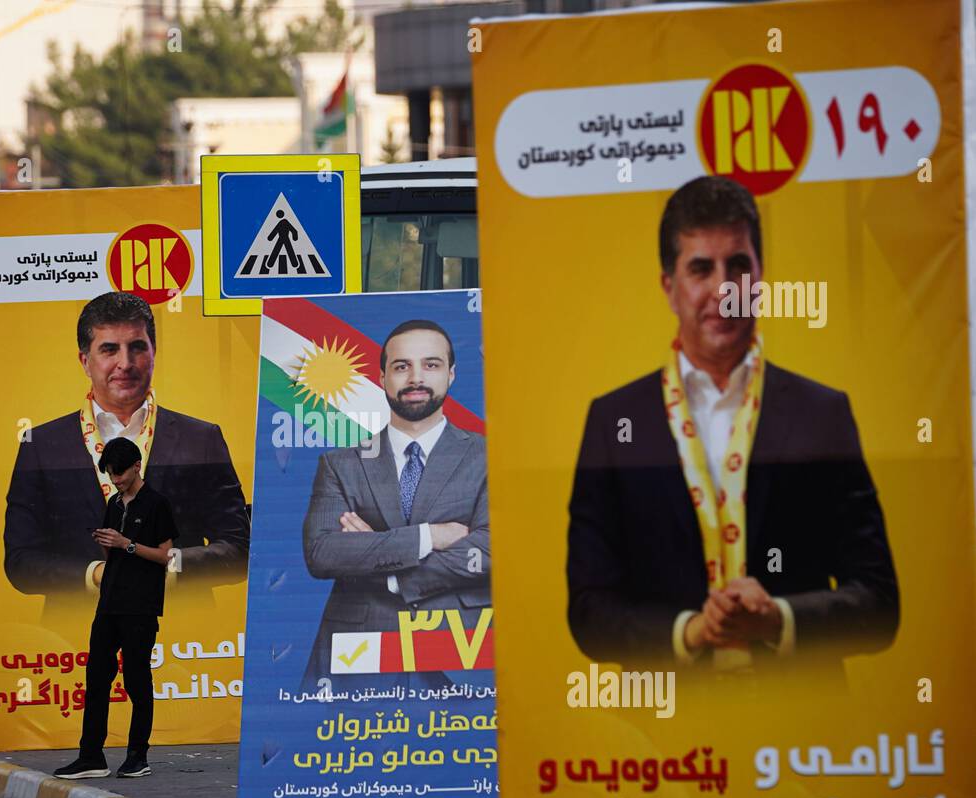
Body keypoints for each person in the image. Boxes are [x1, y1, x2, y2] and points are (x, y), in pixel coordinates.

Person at [566, 175, 899, 679]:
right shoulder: (615, 420)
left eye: (738, 266)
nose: (724, 290)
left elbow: (879, 602)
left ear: (761, 277)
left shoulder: (822, 412)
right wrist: (691, 632)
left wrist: (780, 620)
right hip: (667, 745)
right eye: (701, 269)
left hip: (806, 736)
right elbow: (589, 613)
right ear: (669, 287)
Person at [3, 292, 250, 628]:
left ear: (154, 353)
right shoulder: (42, 445)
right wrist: (98, 574)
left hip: (188, 635)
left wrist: (169, 565)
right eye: (109, 349)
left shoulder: (201, 437)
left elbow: (239, 550)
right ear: (84, 361)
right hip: (74, 637)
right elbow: (20, 562)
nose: (126, 363)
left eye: (137, 347)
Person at [300, 319, 491, 689]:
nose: (415, 377)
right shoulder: (341, 464)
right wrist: (428, 536)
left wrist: (384, 566)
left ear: (451, 374)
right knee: (345, 744)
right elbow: (323, 552)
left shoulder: (490, 456)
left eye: (431, 365)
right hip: (356, 653)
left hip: (461, 649)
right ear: (382, 377)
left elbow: (491, 549)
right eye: (402, 366)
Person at [55, 438, 176, 780]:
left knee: (137, 680)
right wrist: (110, 545)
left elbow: (166, 556)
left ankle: (138, 754)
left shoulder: (157, 504)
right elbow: (113, 555)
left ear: (137, 465)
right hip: (109, 603)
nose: (116, 479)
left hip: (141, 606)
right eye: (110, 473)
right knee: (96, 679)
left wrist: (127, 545)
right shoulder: (113, 503)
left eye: (120, 473)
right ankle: (91, 755)